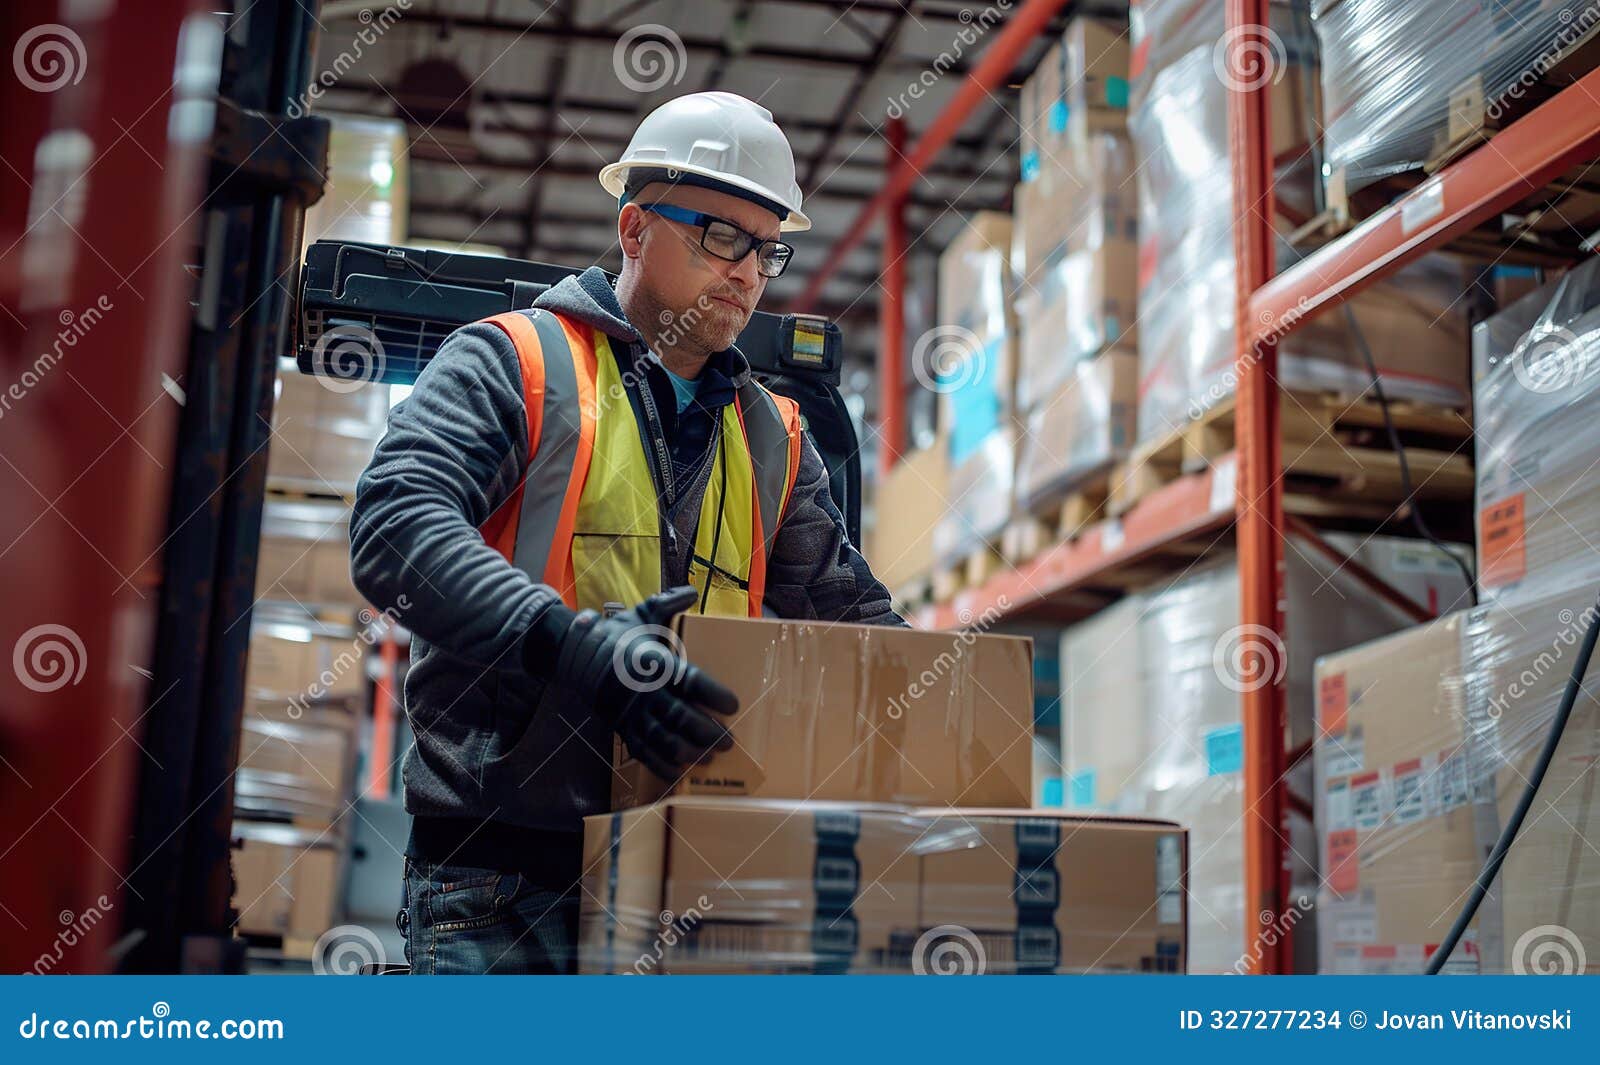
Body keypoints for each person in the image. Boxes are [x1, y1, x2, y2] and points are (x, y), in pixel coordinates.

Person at [349, 91, 906, 974]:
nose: (748, 271)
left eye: (766, 247)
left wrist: (959, 731)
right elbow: (396, 524)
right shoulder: (513, 361)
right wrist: (570, 646)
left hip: (689, 877)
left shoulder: (774, 437)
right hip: (500, 878)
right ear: (636, 229)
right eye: (721, 236)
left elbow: (850, 620)